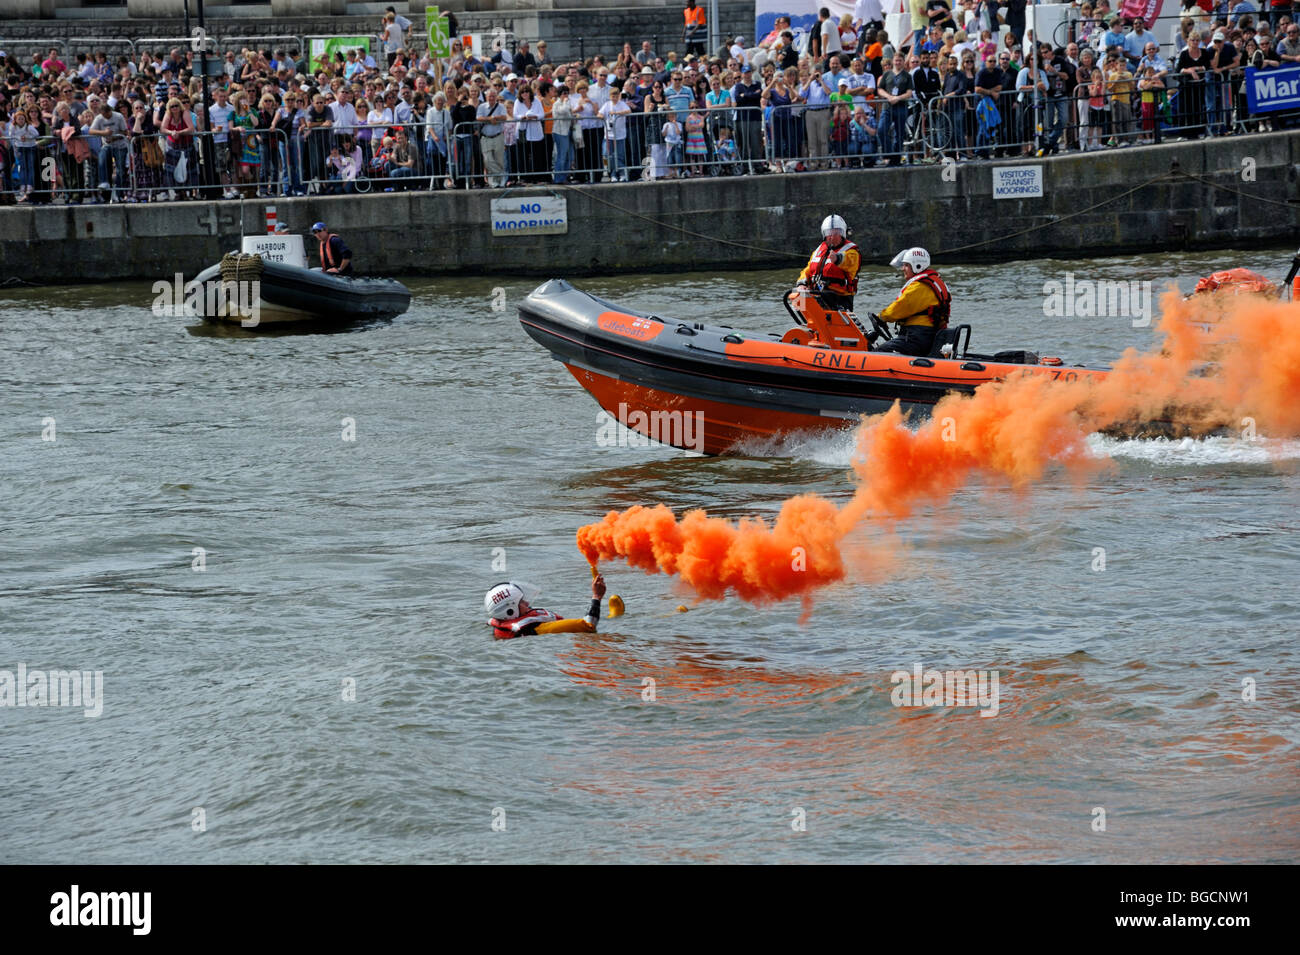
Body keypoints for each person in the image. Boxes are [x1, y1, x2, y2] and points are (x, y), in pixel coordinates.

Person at [872, 247, 951, 355]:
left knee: (879, 352)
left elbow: (899, 308)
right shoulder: (935, 282)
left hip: (917, 338)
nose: (903, 268)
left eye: (906, 265)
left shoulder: (919, 286)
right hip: (929, 336)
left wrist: (881, 317)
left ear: (917, 266)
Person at [485, 575, 607, 640]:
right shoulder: (540, 629)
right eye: (521, 602)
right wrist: (597, 596)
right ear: (510, 611)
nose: (527, 604)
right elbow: (588, 626)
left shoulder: (500, 631)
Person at [797, 215, 861, 311]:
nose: (832, 236)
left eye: (836, 232)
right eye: (829, 232)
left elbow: (850, 262)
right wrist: (802, 284)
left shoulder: (851, 251)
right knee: (796, 298)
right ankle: (805, 321)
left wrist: (837, 258)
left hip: (839, 298)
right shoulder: (819, 250)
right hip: (818, 294)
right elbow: (808, 269)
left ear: (842, 233)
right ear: (824, 234)